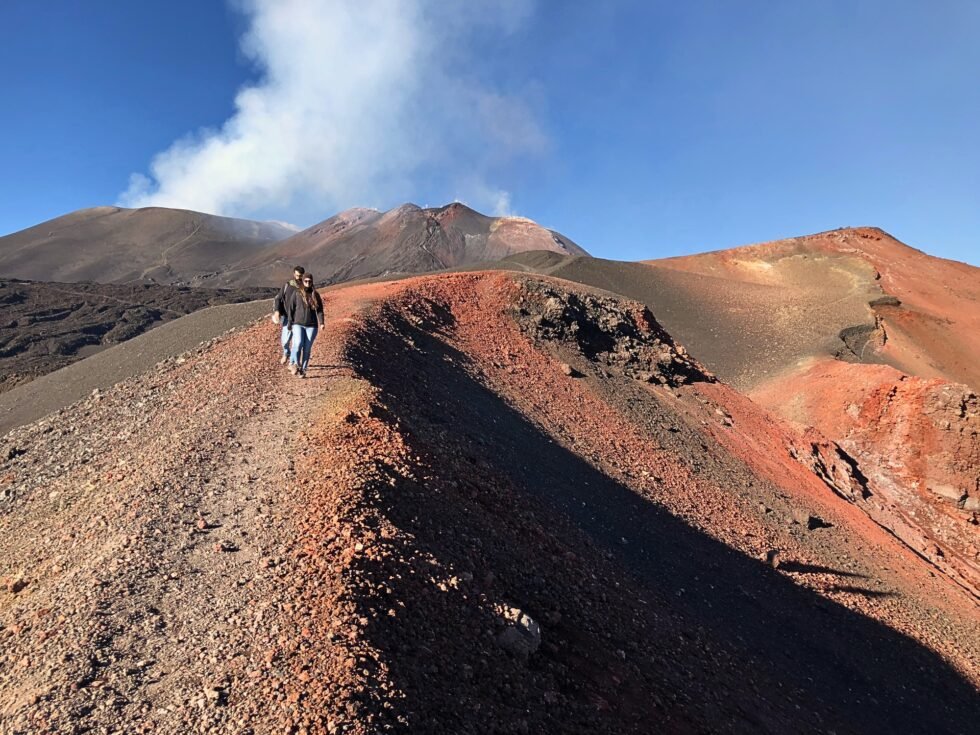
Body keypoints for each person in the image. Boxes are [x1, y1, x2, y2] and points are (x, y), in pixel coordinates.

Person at [284, 272, 325, 377]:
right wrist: (290, 322)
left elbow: (320, 310)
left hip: (312, 325)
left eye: (309, 281)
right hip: (298, 323)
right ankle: (296, 364)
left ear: (312, 282)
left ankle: (303, 369)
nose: (308, 283)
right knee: (298, 344)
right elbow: (291, 308)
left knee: (307, 348)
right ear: (303, 282)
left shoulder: (315, 295)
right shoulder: (297, 293)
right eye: (306, 281)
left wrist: (321, 322)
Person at [272, 266, 305, 364]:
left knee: (297, 342)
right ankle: (286, 353)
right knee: (285, 341)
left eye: (300, 276)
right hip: (287, 317)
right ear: (294, 274)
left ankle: (294, 362)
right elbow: (278, 298)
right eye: (297, 275)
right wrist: (277, 311)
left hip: (299, 319)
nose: (298, 278)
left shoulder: (305, 286)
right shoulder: (287, 285)